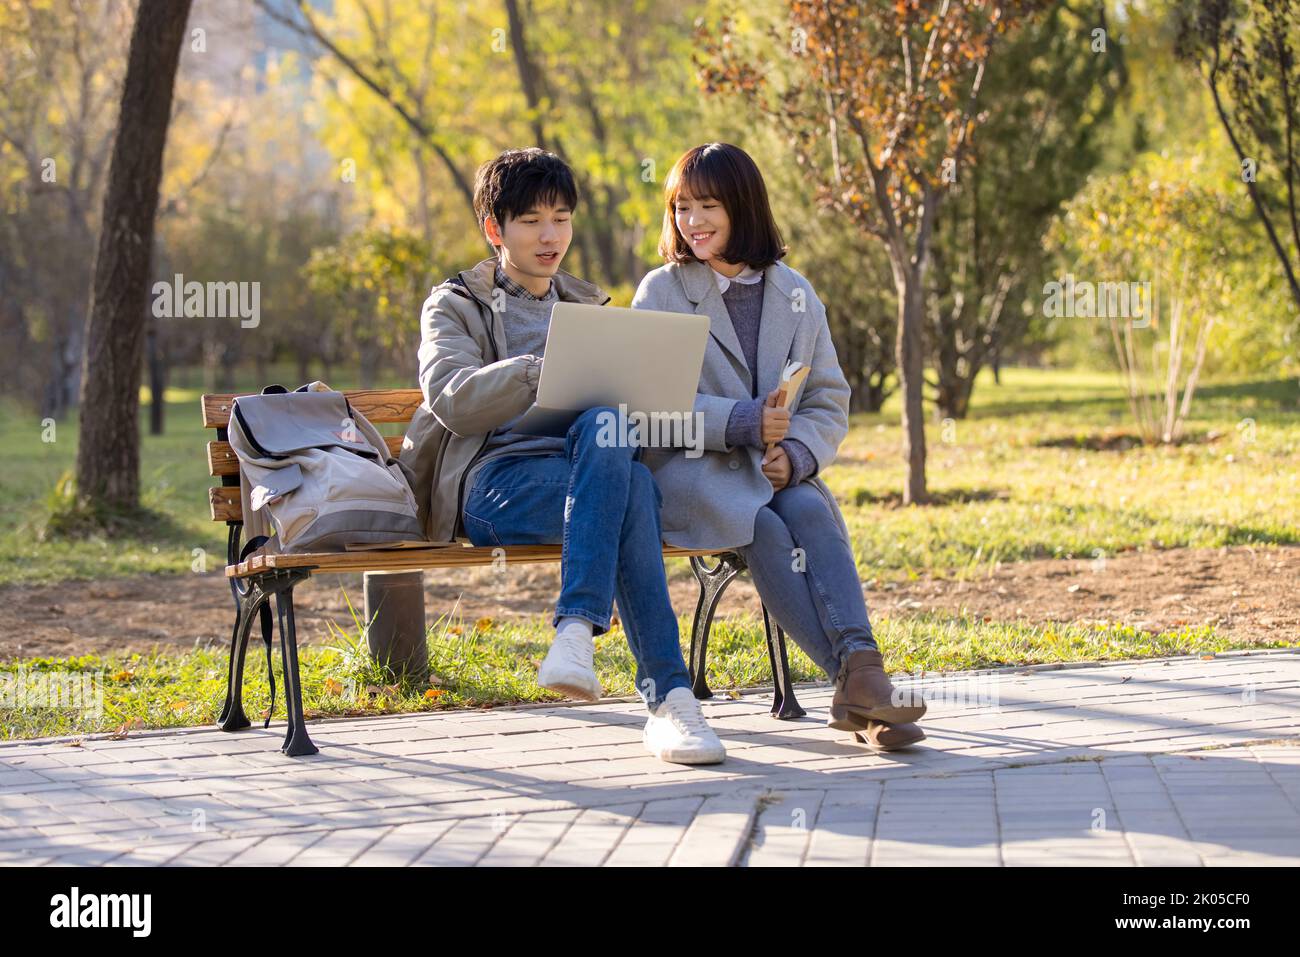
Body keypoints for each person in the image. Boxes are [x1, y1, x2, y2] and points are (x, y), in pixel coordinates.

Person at [413, 147, 725, 764]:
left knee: (621, 461)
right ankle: (669, 701)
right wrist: (537, 370)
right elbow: (452, 400)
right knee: (627, 490)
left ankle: (577, 632)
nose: (550, 235)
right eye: (531, 220)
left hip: (591, 479)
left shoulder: (591, 308)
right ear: (495, 229)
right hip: (497, 483)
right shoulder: (454, 305)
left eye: (561, 218)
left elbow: (638, 417)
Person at [630, 142, 927, 751]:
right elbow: (647, 411)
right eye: (682, 207)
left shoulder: (795, 293)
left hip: (774, 471)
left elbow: (826, 399)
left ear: (745, 207)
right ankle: (857, 687)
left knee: (812, 507)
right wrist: (739, 423)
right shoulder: (660, 292)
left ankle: (862, 674)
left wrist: (795, 454)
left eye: (708, 205)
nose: (694, 221)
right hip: (691, 476)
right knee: (760, 525)